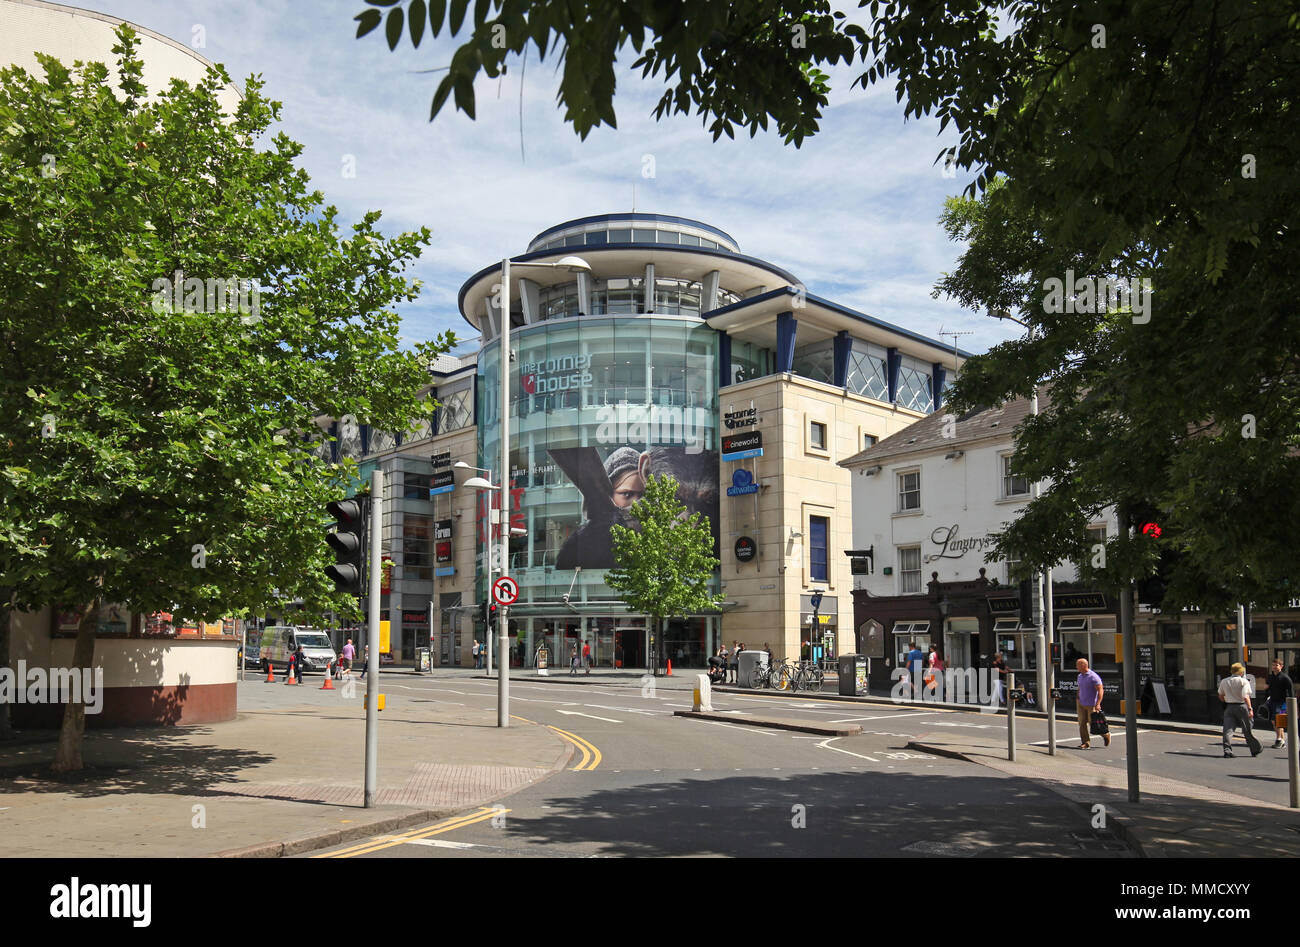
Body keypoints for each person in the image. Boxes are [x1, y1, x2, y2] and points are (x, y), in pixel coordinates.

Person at [1219, 662, 1261, 757]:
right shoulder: (1244, 681)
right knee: (1247, 729)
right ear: (1240, 672)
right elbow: (1245, 696)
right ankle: (1255, 749)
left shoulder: (1224, 681)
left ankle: (1227, 751)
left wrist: (1226, 701)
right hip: (1242, 706)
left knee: (1228, 730)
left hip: (1229, 707)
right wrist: (1250, 709)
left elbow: (1221, 695)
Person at [1075, 658, 1107, 749]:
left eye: (1078, 665)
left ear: (1084, 665)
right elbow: (1080, 687)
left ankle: (1105, 734)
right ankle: (1085, 742)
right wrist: (1078, 696)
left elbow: (1100, 690)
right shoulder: (1079, 676)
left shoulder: (1093, 676)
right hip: (1081, 703)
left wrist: (1098, 703)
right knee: (1082, 723)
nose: (1076, 667)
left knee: (1093, 724)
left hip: (1091, 704)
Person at [1267, 658, 1293, 748]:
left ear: (1281, 666)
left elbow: (1291, 691)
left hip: (1282, 702)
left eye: (1276, 665)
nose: (1274, 667)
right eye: (1273, 665)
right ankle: (1281, 740)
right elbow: (1268, 688)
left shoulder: (1285, 678)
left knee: (1278, 720)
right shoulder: (1271, 677)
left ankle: (1279, 739)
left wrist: (1291, 703)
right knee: (1274, 721)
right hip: (1272, 701)